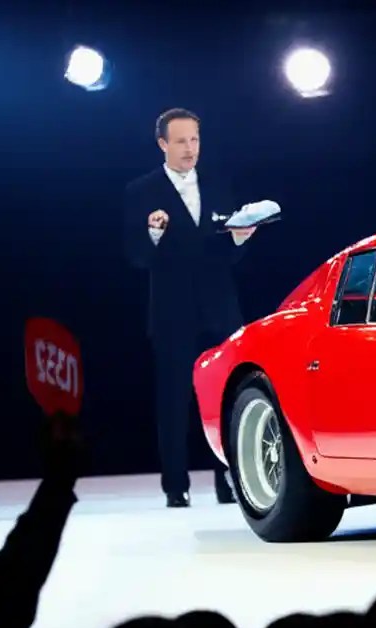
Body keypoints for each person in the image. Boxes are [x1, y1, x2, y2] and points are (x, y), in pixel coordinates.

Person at [124, 107, 257, 508]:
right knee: (174, 398)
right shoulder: (141, 190)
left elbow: (226, 254)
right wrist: (152, 233)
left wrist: (238, 239)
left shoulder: (217, 182)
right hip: (172, 310)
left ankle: (229, 481)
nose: (189, 148)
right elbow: (136, 256)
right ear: (162, 144)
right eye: (181, 141)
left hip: (219, 306)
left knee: (228, 392)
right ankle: (175, 485)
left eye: (195, 140)